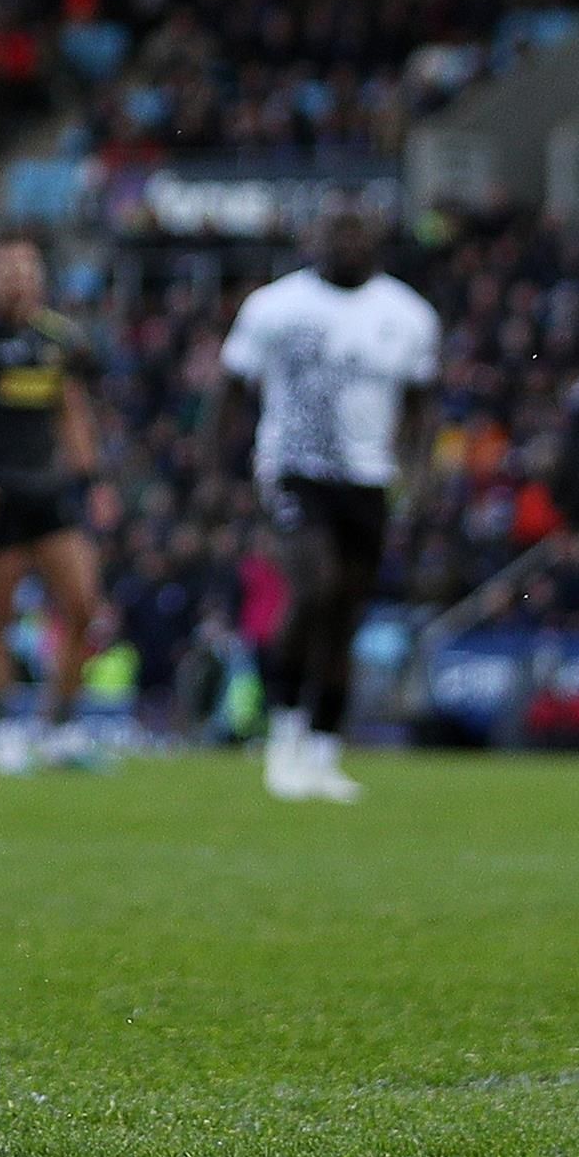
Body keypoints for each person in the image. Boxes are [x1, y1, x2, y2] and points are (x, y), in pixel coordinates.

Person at [215, 216, 438, 803]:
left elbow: (419, 406)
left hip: (367, 480)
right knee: (314, 588)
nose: (344, 240)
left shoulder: (409, 316)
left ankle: (323, 750)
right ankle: (283, 735)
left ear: (375, 240)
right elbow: (231, 389)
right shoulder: (275, 307)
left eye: (355, 231)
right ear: (309, 240)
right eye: (332, 230)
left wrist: (415, 475)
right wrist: (220, 471)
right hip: (294, 470)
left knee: (345, 614)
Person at [0, 237, 111, 773]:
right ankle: (5, 728)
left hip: (50, 490)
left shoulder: (58, 338)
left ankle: (59, 725)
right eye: (5, 269)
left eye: (25, 268)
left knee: (83, 608)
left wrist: (93, 481)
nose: (16, 278)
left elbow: (72, 412)